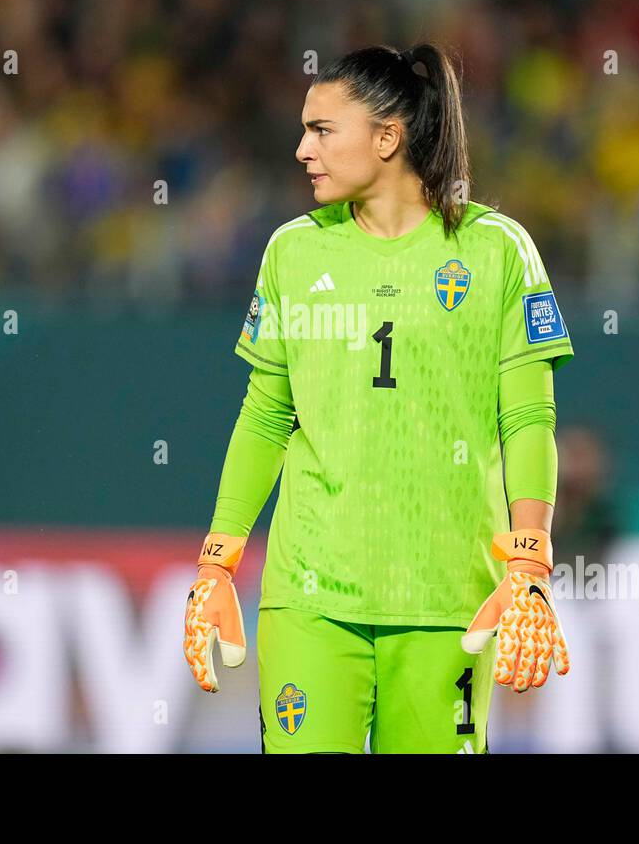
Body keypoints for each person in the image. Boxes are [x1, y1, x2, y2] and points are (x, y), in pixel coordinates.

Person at [183, 43, 574, 753]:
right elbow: (266, 414)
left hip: (447, 599)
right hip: (311, 595)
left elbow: (527, 418)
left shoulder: (498, 253)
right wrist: (217, 560)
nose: (302, 149)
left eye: (322, 130)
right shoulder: (291, 254)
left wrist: (529, 559)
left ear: (388, 137)